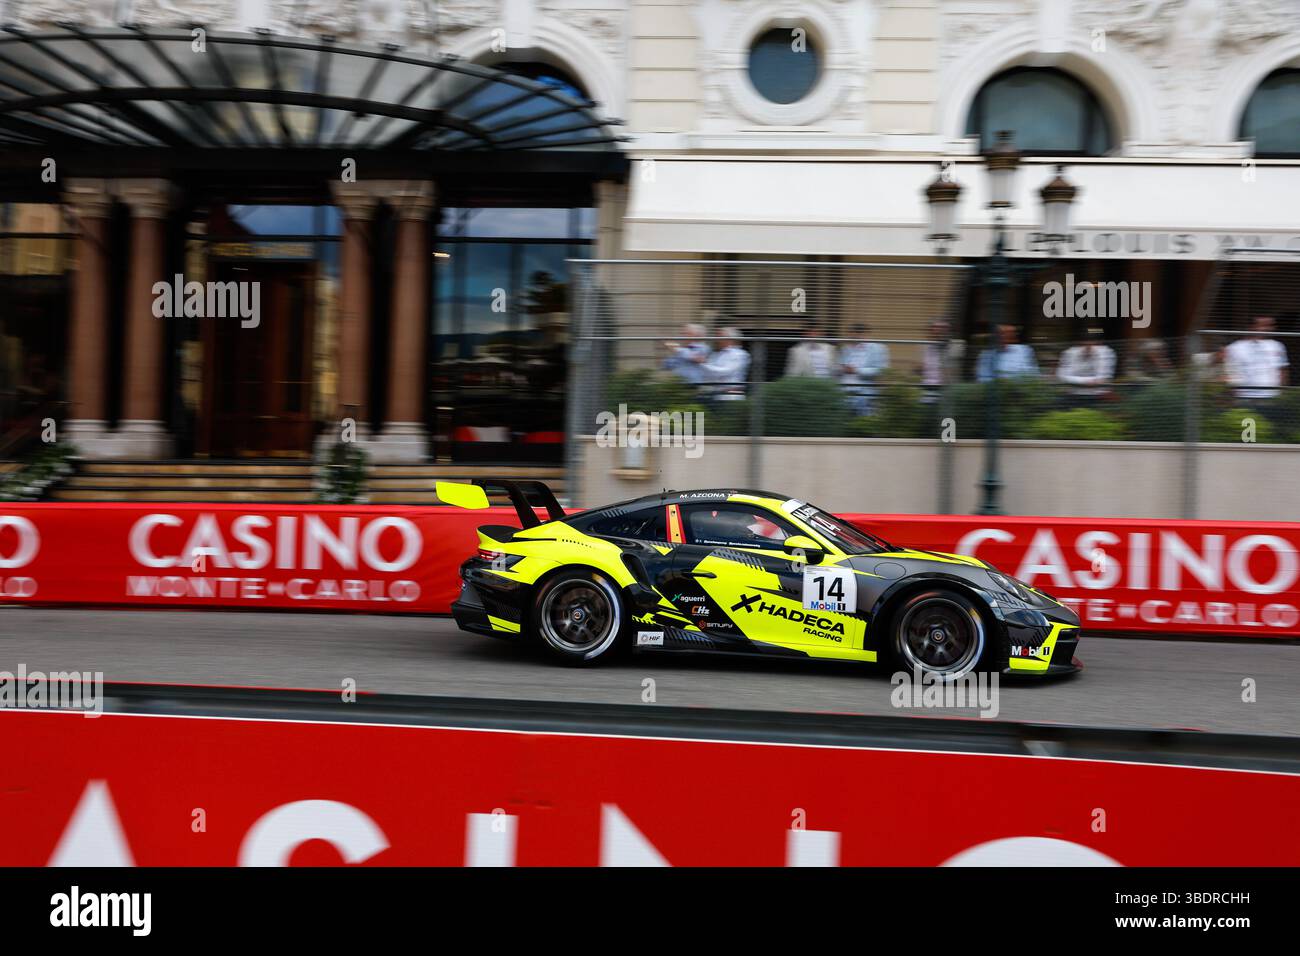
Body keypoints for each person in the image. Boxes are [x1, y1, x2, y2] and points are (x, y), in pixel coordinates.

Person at [1225, 315, 1289, 401]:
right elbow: (1230, 372)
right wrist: (1235, 396)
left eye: (1271, 325)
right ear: (1252, 327)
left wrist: (1282, 393)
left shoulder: (1277, 346)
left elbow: (1283, 370)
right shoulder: (1235, 347)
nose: (1269, 329)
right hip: (1245, 396)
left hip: (1272, 396)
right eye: (1264, 325)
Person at [839, 323, 890, 414]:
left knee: (863, 419)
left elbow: (882, 370)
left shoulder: (877, 348)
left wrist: (857, 370)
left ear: (866, 333)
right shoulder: (846, 348)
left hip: (864, 392)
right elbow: (840, 367)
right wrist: (841, 369)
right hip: (844, 392)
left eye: (858, 333)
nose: (854, 336)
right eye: (852, 333)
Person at [1056, 328, 1116, 399]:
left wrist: (1075, 380)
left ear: (1099, 344)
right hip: (1072, 394)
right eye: (1085, 344)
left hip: (1097, 395)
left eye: (1093, 344)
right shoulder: (1069, 353)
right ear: (1079, 344)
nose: (1088, 347)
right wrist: (1087, 381)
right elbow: (1062, 376)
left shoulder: (1106, 353)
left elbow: (1103, 378)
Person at [702, 327, 751, 401]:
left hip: (730, 395)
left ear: (729, 339)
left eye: (720, 337)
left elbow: (724, 371)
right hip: (714, 394)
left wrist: (703, 363)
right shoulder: (716, 355)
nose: (717, 339)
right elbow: (707, 375)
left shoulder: (739, 354)